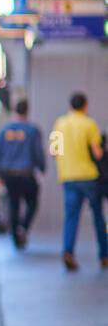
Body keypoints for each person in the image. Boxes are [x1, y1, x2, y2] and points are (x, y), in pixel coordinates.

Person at [51, 92, 107, 271]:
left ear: (70, 105)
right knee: (98, 216)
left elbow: (53, 150)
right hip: (89, 177)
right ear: (85, 106)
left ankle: (68, 251)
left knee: (71, 217)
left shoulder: (60, 123)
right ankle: (104, 255)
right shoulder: (89, 124)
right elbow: (97, 153)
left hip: (68, 176)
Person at [0, 99, 45, 249]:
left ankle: (15, 236)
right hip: (26, 174)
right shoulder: (32, 130)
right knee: (33, 203)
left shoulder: (5, 130)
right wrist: (42, 168)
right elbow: (38, 152)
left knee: (13, 204)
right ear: (27, 111)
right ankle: (23, 227)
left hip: (9, 175)